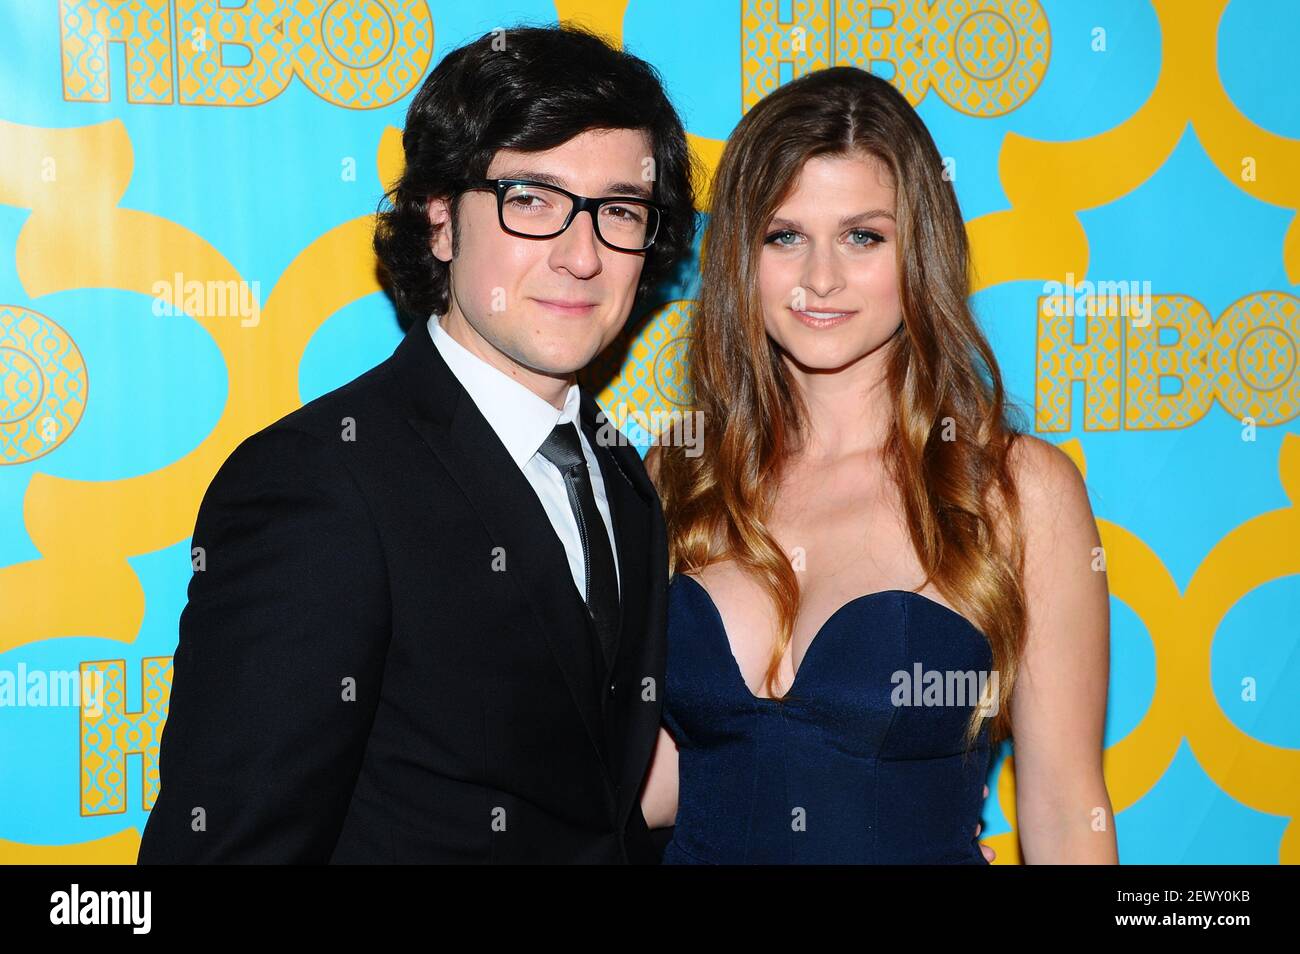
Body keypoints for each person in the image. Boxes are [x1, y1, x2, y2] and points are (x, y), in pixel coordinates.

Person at [138, 24, 696, 863]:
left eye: (619, 211)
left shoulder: (623, 477)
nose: (582, 255)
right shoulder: (320, 483)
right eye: (532, 200)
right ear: (440, 220)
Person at [638, 66, 1117, 864]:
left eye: (864, 236)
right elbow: (658, 781)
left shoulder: (1013, 488)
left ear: (919, 250)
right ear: (740, 258)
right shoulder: (680, 474)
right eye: (783, 236)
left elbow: (1067, 814)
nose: (820, 277)